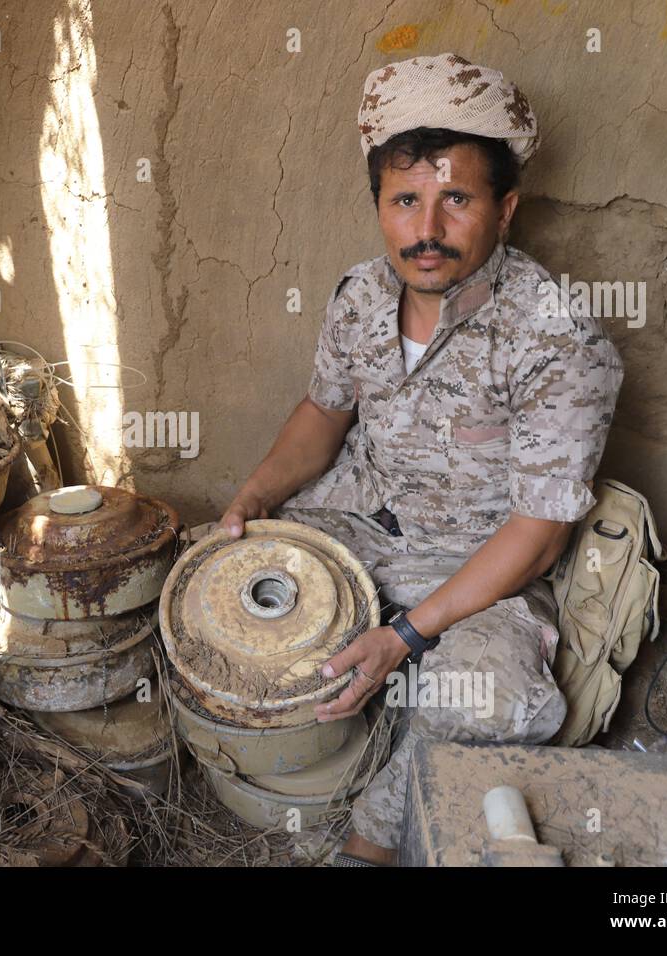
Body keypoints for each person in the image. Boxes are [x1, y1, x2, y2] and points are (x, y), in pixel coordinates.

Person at [218, 53, 623, 865]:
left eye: (456, 200)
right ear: (380, 205)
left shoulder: (557, 338)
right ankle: (280, 772)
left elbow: (539, 533)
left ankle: (373, 838)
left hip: (478, 566)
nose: (426, 230)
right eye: (405, 200)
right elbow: (323, 413)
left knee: (479, 699)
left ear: (504, 209)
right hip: (356, 519)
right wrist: (252, 500)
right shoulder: (361, 295)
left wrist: (405, 635)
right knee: (220, 598)